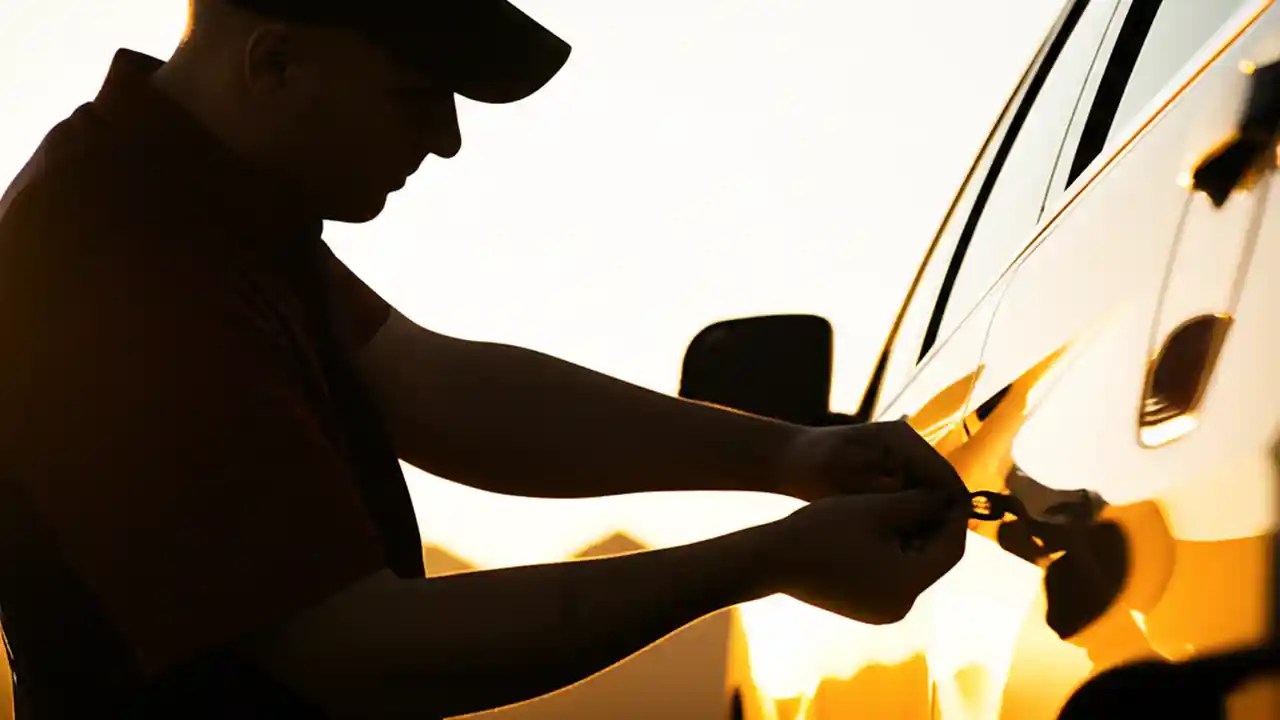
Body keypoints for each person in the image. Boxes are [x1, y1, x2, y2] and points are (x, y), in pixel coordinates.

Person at [0, 1, 970, 717]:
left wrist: (784, 459)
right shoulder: (112, 260)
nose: (450, 140)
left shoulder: (210, 206)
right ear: (276, 65)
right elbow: (354, 648)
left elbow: (431, 386)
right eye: (418, 97)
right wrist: (768, 558)